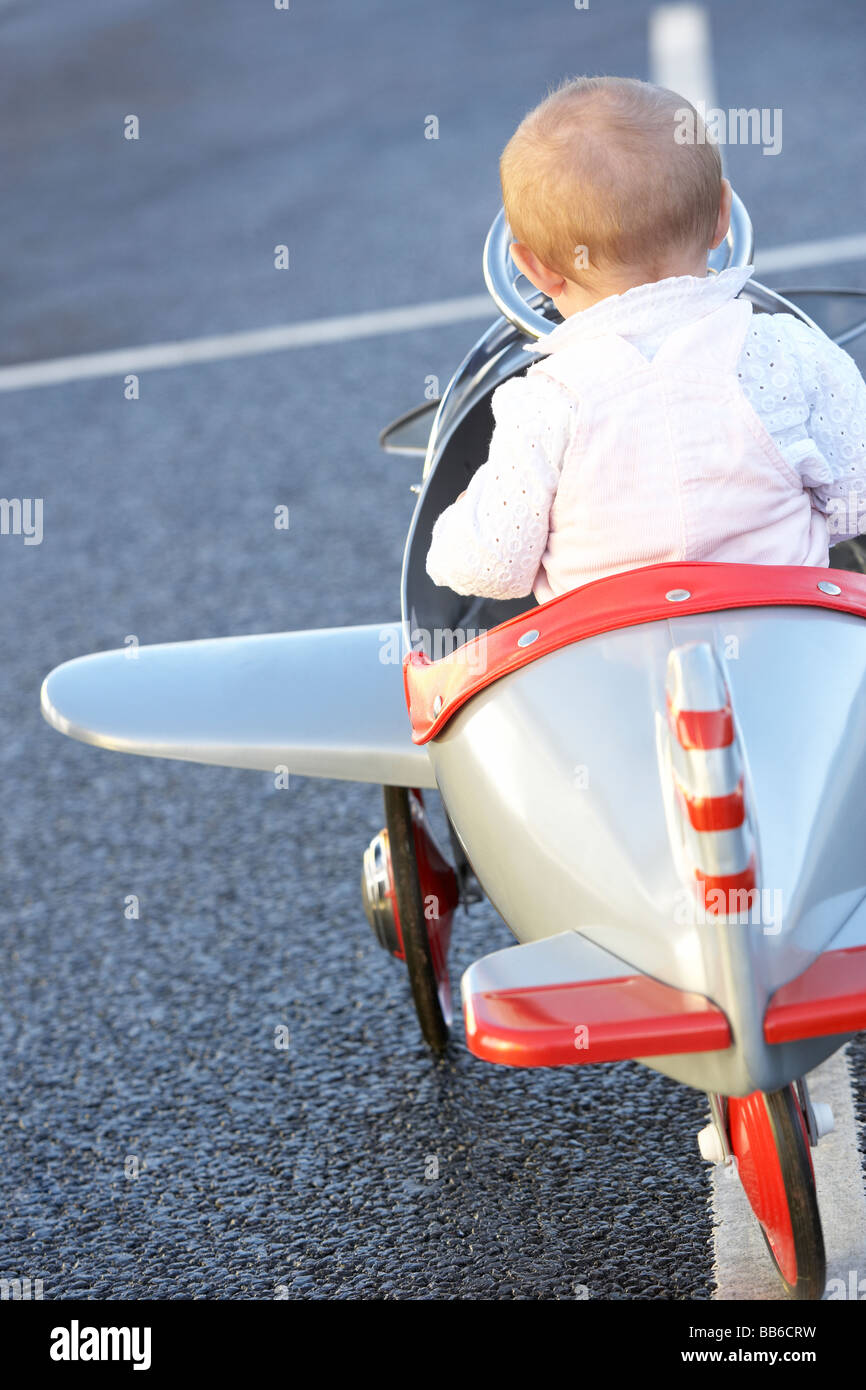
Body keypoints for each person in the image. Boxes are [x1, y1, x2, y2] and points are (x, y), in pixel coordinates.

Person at [426, 76, 866, 605]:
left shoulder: (546, 401)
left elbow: (494, 568)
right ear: (722, 217)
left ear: (533, 269)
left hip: (608, 664)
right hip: (781, 635)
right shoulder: (784, 352)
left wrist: (455, 527)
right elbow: (856, 498)